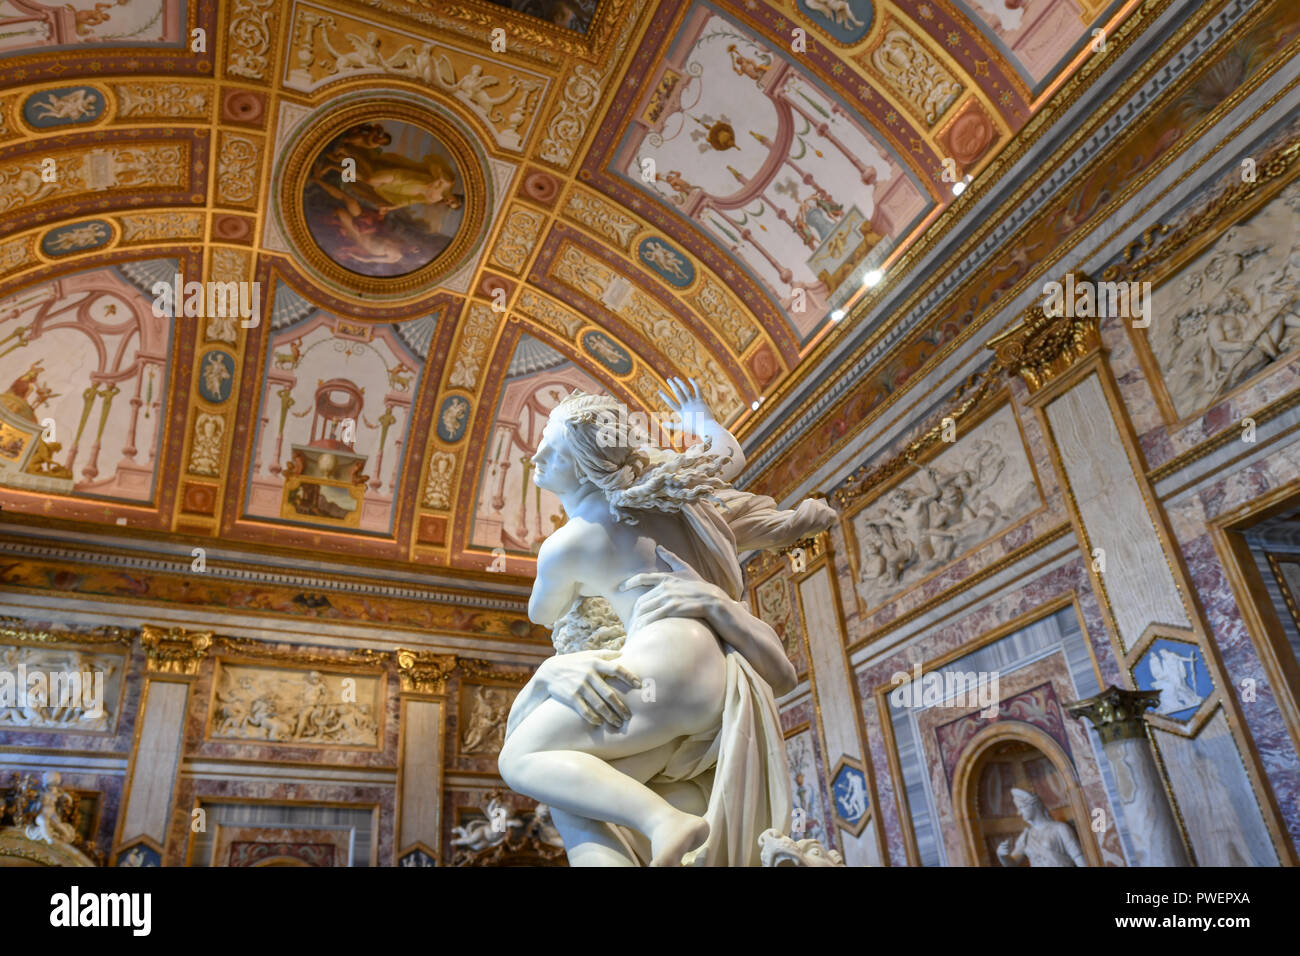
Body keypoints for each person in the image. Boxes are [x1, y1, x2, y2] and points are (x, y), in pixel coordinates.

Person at [498, 379, 833, 866]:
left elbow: (541, 613)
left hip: (660, 669)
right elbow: (723, 455)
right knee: (580, 797)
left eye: (552, 450)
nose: (536, 458)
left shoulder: (568, 545)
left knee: (521, 757)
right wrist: (698, 418)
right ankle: (660, 822)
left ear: (587, 464)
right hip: (710, 675)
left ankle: (663, 820)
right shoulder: (674, 501)